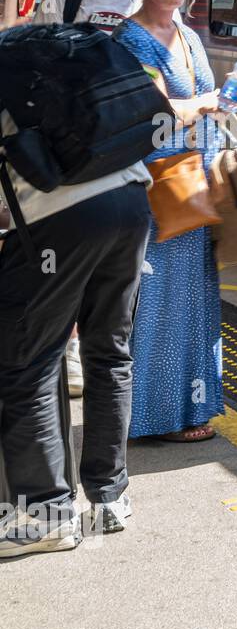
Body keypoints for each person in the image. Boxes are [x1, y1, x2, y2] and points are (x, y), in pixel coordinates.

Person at [112, 0, 237, 444]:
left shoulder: (190, 35)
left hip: (198, 182)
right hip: (158, 189)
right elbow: (156, 112)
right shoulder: (130, 41)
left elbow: (204, 105)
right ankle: (150, 417)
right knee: (157, 303)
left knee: (194, 301)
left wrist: (230, 99)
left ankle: (190, 408)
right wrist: (213, 99)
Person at [0, 104, 152, 557]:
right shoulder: (65, 60)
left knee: (29, 360)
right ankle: (109, 498)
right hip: (130, 197)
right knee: (110, 351)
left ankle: (45, 516)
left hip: (60, 213)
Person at [31, 0, 160, 399]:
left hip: (130, 140)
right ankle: (66, 348)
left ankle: (96, 348)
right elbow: (36, 53)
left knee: (117, 259)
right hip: (73, 141)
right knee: (68, 248)